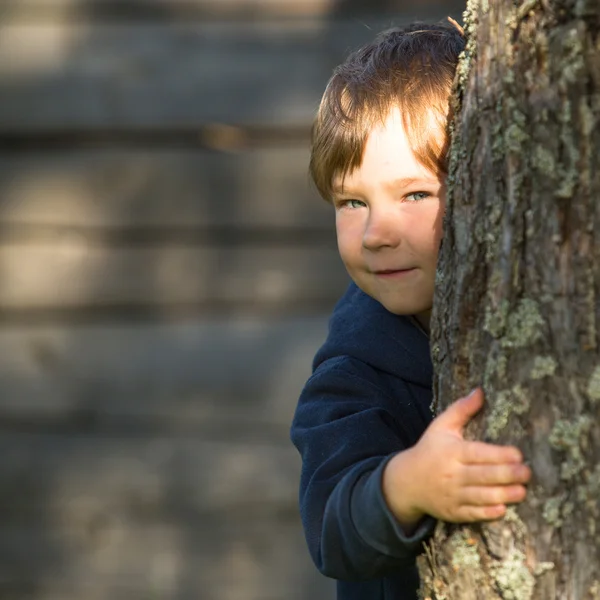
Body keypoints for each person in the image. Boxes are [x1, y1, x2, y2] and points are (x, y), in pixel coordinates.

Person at [290, 21, 532, 600]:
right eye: (353, 202)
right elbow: (330, 528)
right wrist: (404, 486)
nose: (376, 233)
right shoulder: (352, 371)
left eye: (415, 194)